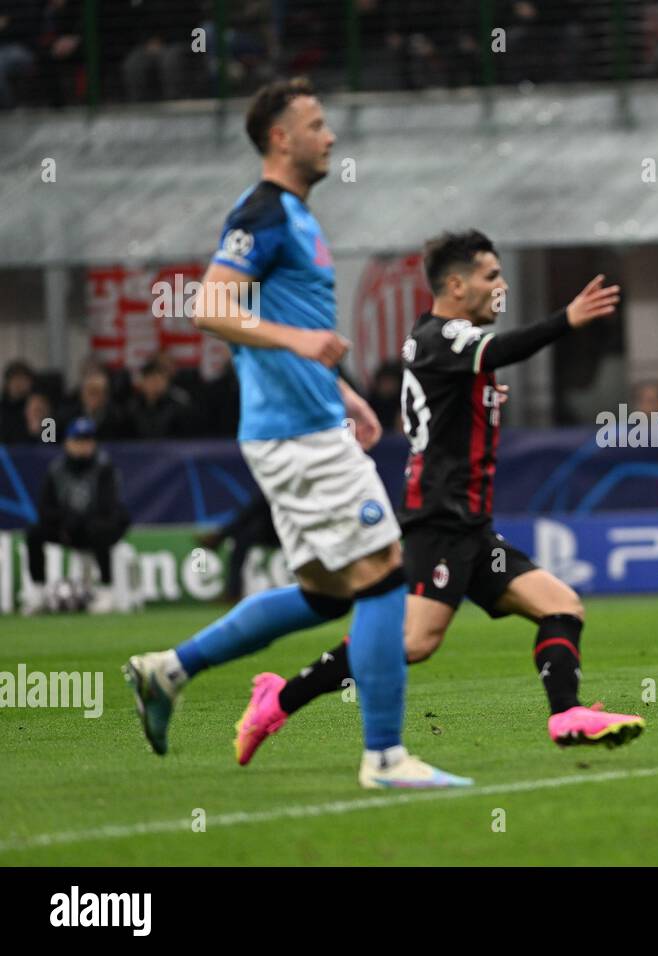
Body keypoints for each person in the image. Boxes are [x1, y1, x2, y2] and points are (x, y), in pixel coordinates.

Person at [123, 78, 456, 790]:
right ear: (281, 138)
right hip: (294, 435)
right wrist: (302, 345)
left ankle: (168, 670)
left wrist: (342, 393)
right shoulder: (263, 213)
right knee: (385, 574)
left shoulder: (297, 218)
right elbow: (210, 307)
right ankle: (386, 758)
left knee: (328, 593)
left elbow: (269, 330)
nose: (329, 136)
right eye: (316, 123)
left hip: (308, 421)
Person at [232, 230, 645, 765]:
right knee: (411, 644)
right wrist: (566, 319)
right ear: (455, 284)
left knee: (561, 605)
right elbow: (500, 348)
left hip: (470, 525)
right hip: (439, 522)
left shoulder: (448, 342)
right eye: (490, 276)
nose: (500, 287)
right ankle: (278, 699)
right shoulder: (442, 336)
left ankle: (566, 715)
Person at [23, 417, 130, 615]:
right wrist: (65, 521)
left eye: (88, 441)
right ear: (68, 443)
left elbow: (107, 506)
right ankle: (37, 591)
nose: (83, 446)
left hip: (92, 528)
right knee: (34, 533)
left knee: (101, 528)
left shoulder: (104, 468)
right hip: (65, 526)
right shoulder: (56, 470)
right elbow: (44, 508)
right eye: (79, 441)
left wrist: (78, 520)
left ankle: (106, 589)